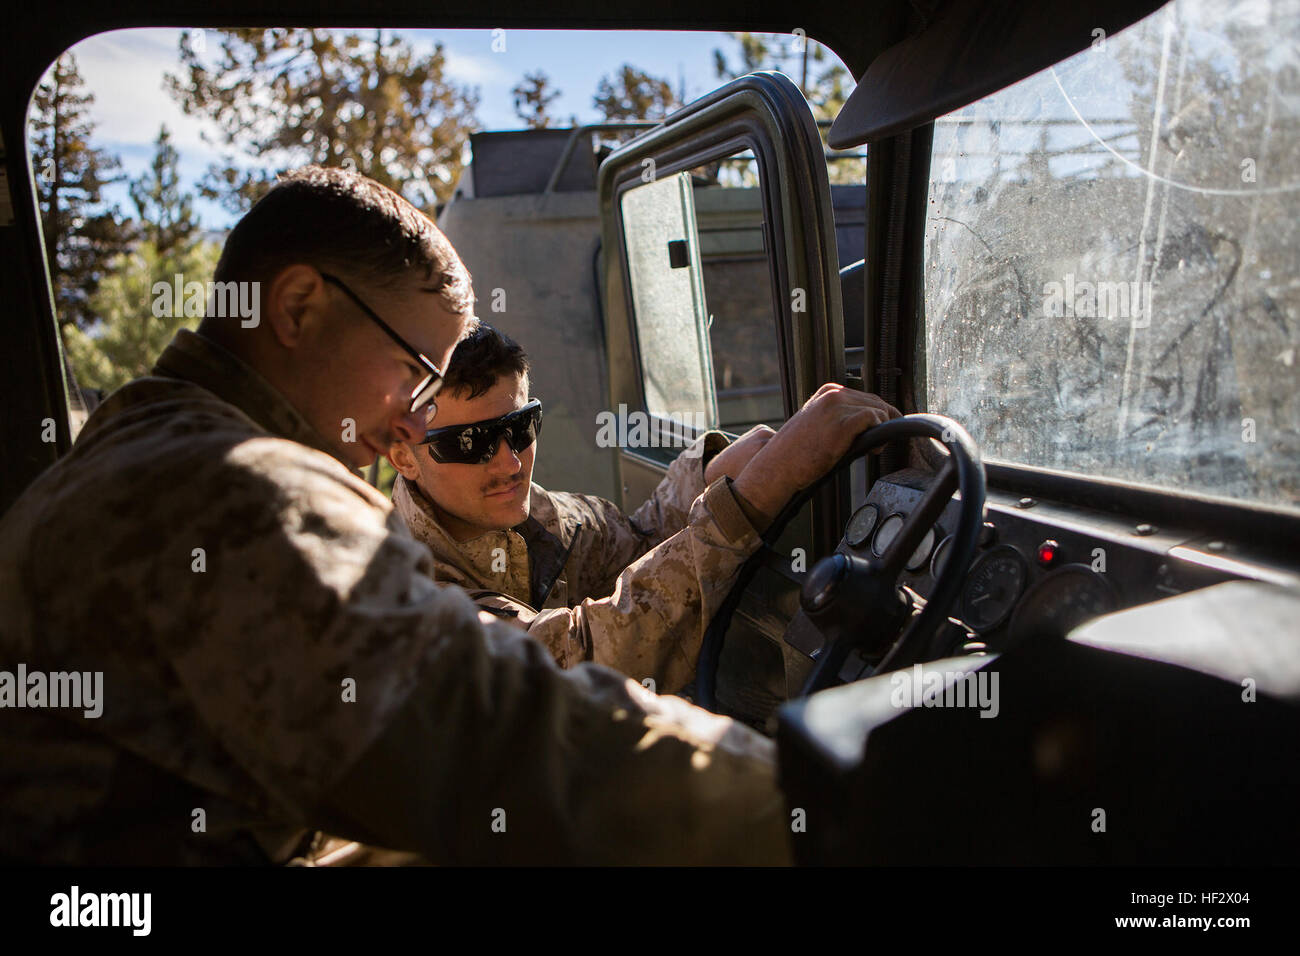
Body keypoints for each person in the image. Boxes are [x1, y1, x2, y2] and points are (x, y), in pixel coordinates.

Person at [0, 165, 898, 865]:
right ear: (299, 306)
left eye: (514, 427)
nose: (414, 419)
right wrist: (823, 813)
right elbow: (500, 730)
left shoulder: (156, 440)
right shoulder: (237, 489)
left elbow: (615, 546)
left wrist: (719, 479)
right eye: (413, 374)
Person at [387, 323, 784, 694]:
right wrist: (749, 501)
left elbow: (640, 542)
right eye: (471, 443)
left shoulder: (549, 522)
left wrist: (708, 475)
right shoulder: (400, 593)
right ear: (404, 458)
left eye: (520, 427)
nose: (510, 464)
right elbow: (574, 664)